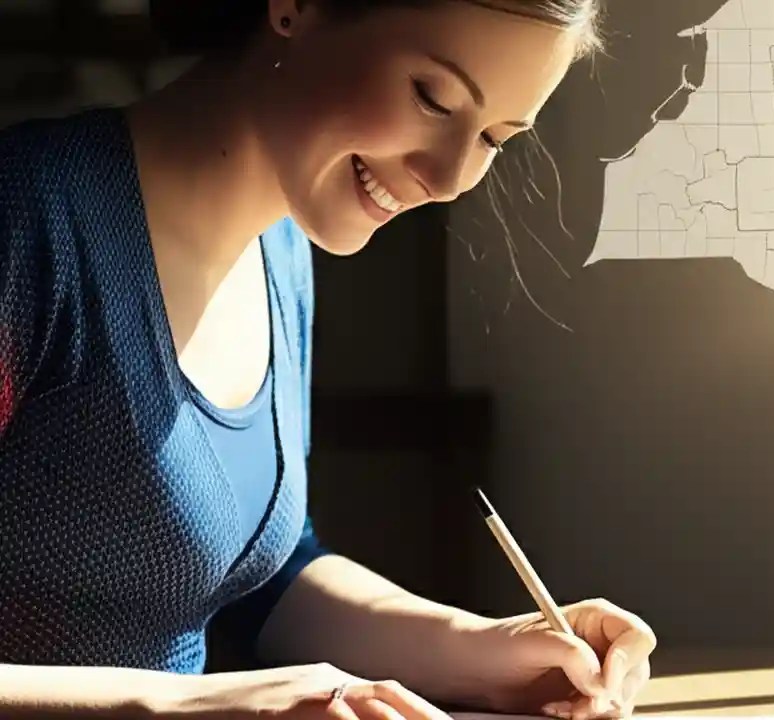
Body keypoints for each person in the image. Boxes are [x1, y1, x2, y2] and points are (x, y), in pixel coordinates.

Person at [0, 0, 656, 718]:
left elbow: (260, 584)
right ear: (294, 7)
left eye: (495, 138)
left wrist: (485, 646)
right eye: (433, 98)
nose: (449, 178)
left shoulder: (280, 252)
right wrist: (182, 705)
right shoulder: (28, 226)